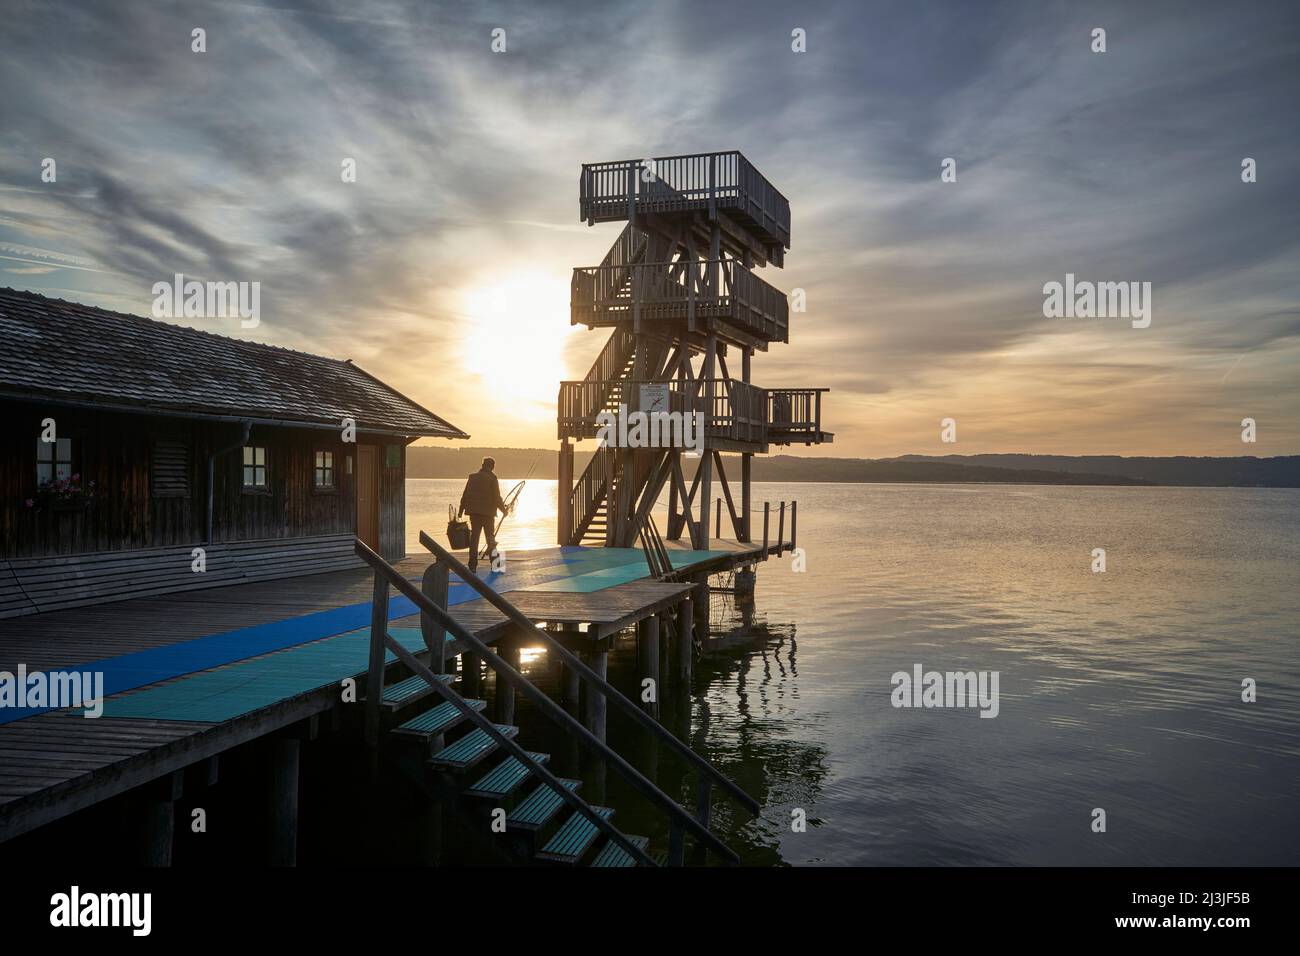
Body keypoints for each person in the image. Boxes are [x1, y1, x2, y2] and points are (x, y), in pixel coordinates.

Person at [459, 456, 509, 573]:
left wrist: (461, 510)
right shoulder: (492, 479)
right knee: (490, 539)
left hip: (474, 513)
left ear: (482, 465)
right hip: (488, 514)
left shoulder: (472, 477)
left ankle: (472, 566)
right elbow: (497, 498)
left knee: (474, 540)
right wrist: (504, 510)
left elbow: (465, 495)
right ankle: (496, 566)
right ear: (492, 467)